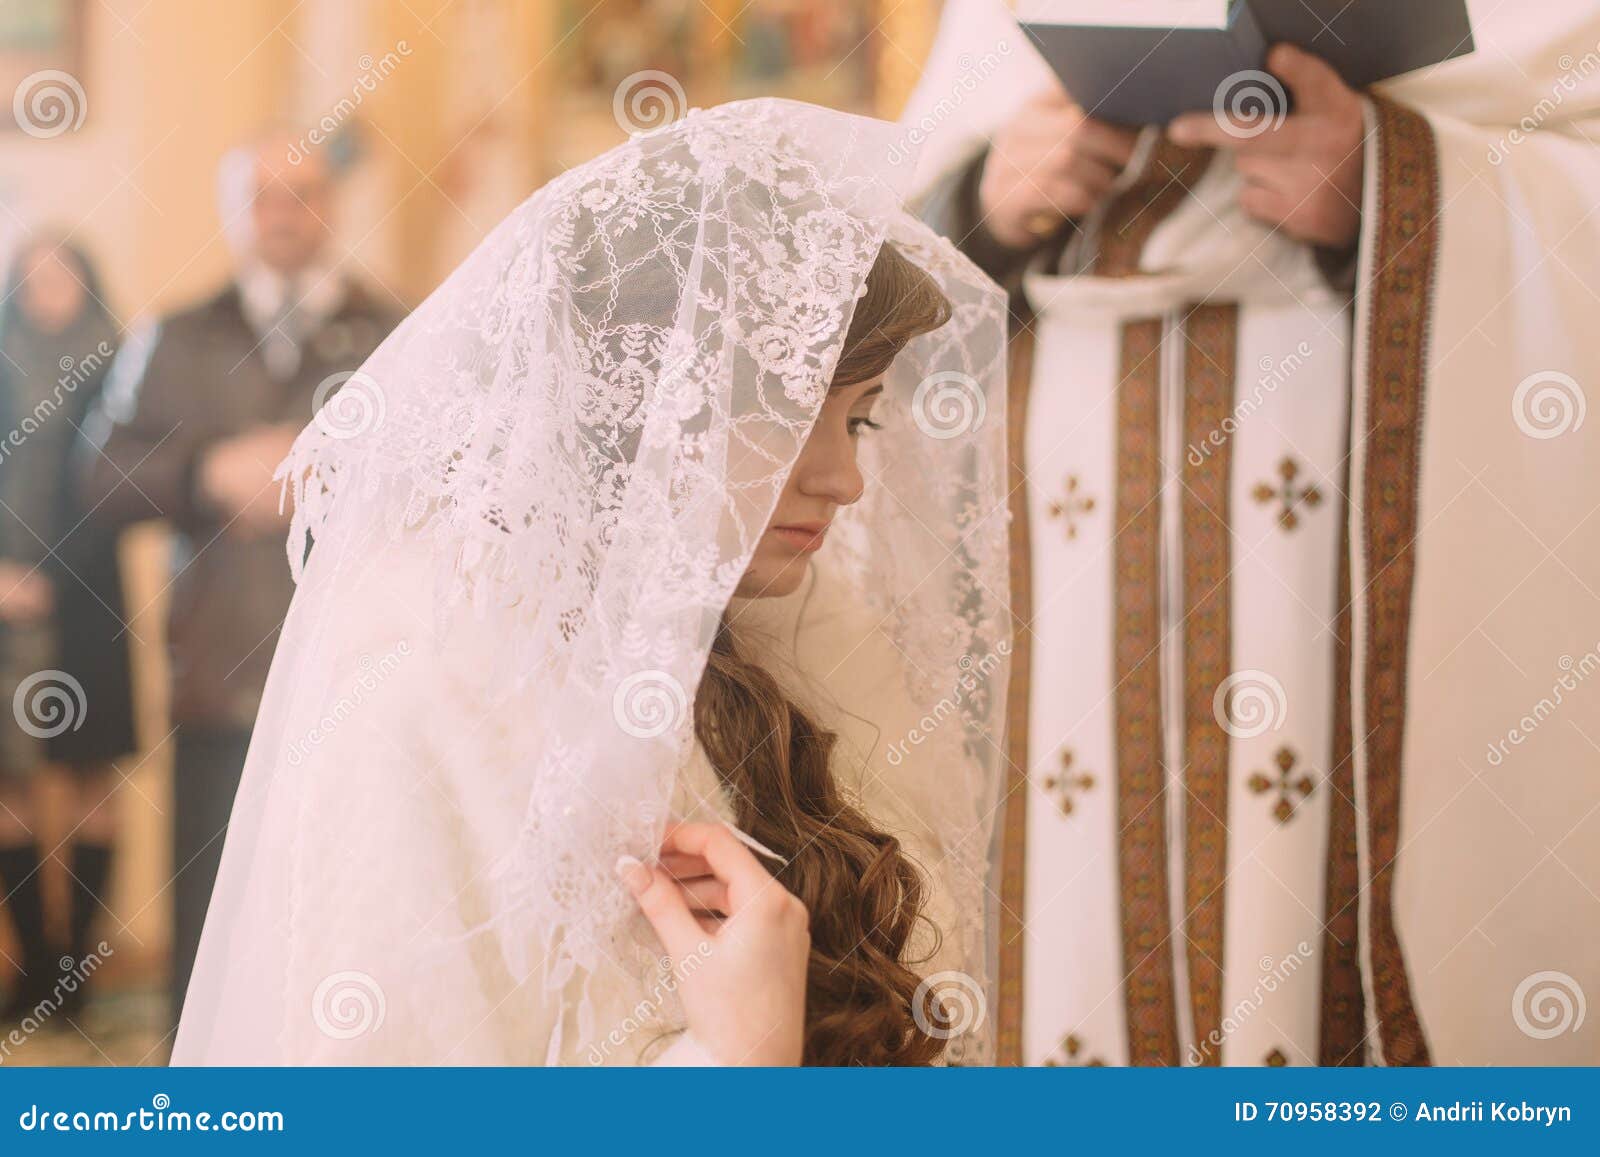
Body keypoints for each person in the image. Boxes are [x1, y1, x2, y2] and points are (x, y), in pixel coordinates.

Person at [170, 99, 1012, 1066]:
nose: (845, 479)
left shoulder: (821, 646)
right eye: (785, 414)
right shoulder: (434, 698)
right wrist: (735, 1066)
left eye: (858, 420)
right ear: (637, 408)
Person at [907, 0, 1600, 1066]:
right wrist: (985, 199)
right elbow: (903, 220)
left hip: (1371, 509)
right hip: (1060, 530)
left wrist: (1401, 184)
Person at [83, 131, 401, 1027]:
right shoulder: (175, 335)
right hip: (221, 679)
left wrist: (341, 476)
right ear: (231, 211)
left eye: (301, 190)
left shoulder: (398, 328)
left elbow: (458, 471)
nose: (283, 211)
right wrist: (206, 474)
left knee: (347, 931)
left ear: (333, 203)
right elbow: (99, 473)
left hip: (362, 678)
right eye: (261, 193)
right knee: (213, 947)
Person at [0, 236, 136, 1025]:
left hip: (87, 597)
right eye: (34, 273)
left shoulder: (120, 359)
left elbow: (123, 481)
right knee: (11, 782)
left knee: (91, 778)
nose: (49, 286)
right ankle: (33, 967)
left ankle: (77, 971)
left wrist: (53, 575)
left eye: (65, 272)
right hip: (3, 602)